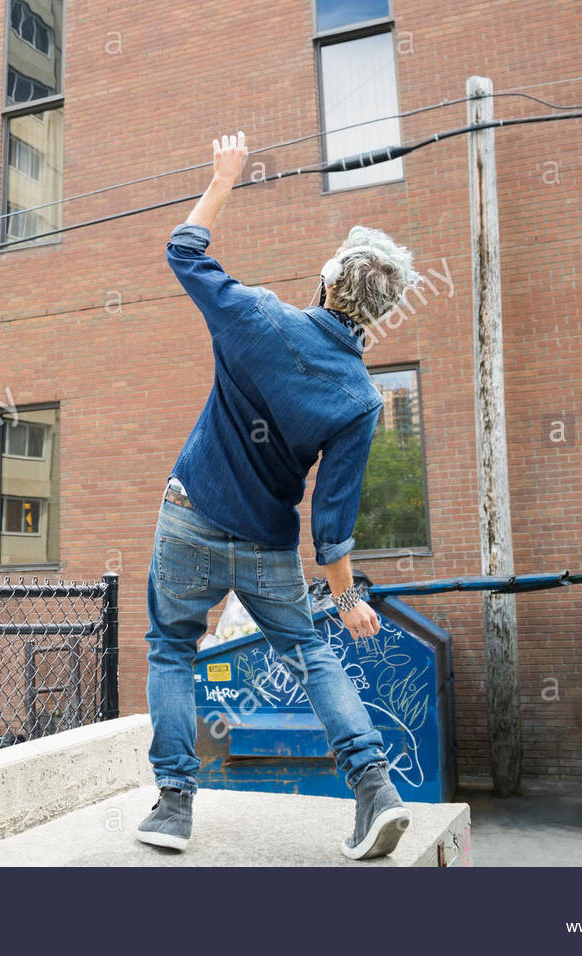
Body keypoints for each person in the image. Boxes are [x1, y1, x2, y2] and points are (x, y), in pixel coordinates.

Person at [135, 131, 421, 861]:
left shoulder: (258, 316)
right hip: (267, 547)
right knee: (312, 655)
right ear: (376, 316)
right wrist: (350, 598)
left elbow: (185, 253)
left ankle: (172, 809)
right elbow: (333, 526)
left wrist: (224, 179)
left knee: (171, 648)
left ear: (328, 284)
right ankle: (376, 792)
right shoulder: (360, 399)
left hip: (190, 521)